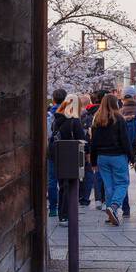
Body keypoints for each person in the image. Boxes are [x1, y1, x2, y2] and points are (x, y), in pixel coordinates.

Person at [90, 92, 134, 225]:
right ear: (116, 104)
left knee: (108, 185)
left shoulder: (97, 119)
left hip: (102, 157)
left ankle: (111, 215)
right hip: (118, 155)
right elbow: (125, 140)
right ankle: (114, 206)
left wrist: (93, 160)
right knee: (122, 183)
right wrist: (131, 157)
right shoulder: (119, 119)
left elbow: (94, 142)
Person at [51, 93, 88, 224]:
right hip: (72, 155)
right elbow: (82, 139)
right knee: (70, 186)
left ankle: (62, 214)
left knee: (62, 186)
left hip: (59, 154)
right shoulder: (74, 120)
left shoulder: (57, 119)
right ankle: (67, 214)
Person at [119, 85, 136, 217]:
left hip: (122, 150)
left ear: (123, 98)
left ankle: (125, 210)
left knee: (123, 180)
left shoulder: (118, 114)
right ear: (135, 97)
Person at [46, 87, 67, 217]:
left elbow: (48, 133)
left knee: (52, 179)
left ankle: (52, 208)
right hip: (65, 148)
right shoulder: (69, 113)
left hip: (52, 148)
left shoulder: (49, 115)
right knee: (63, 180)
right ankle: (63, 208)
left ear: (53, 100)